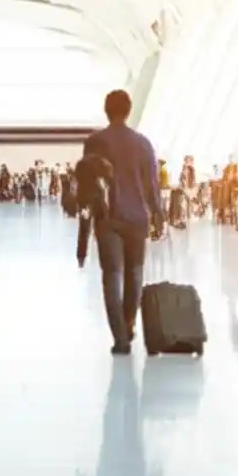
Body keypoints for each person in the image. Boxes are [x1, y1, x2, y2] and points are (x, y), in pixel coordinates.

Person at [83, 90, 163, 355]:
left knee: (112, 275)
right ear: (128, 111)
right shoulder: (143, 144)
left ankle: (120, 337)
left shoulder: (94, 142)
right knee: (135, 273)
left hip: (107, 218)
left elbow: (86, 180)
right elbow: (152, 184)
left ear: (106, 110)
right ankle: (128, 324)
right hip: (137, 217)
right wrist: (158, 214)